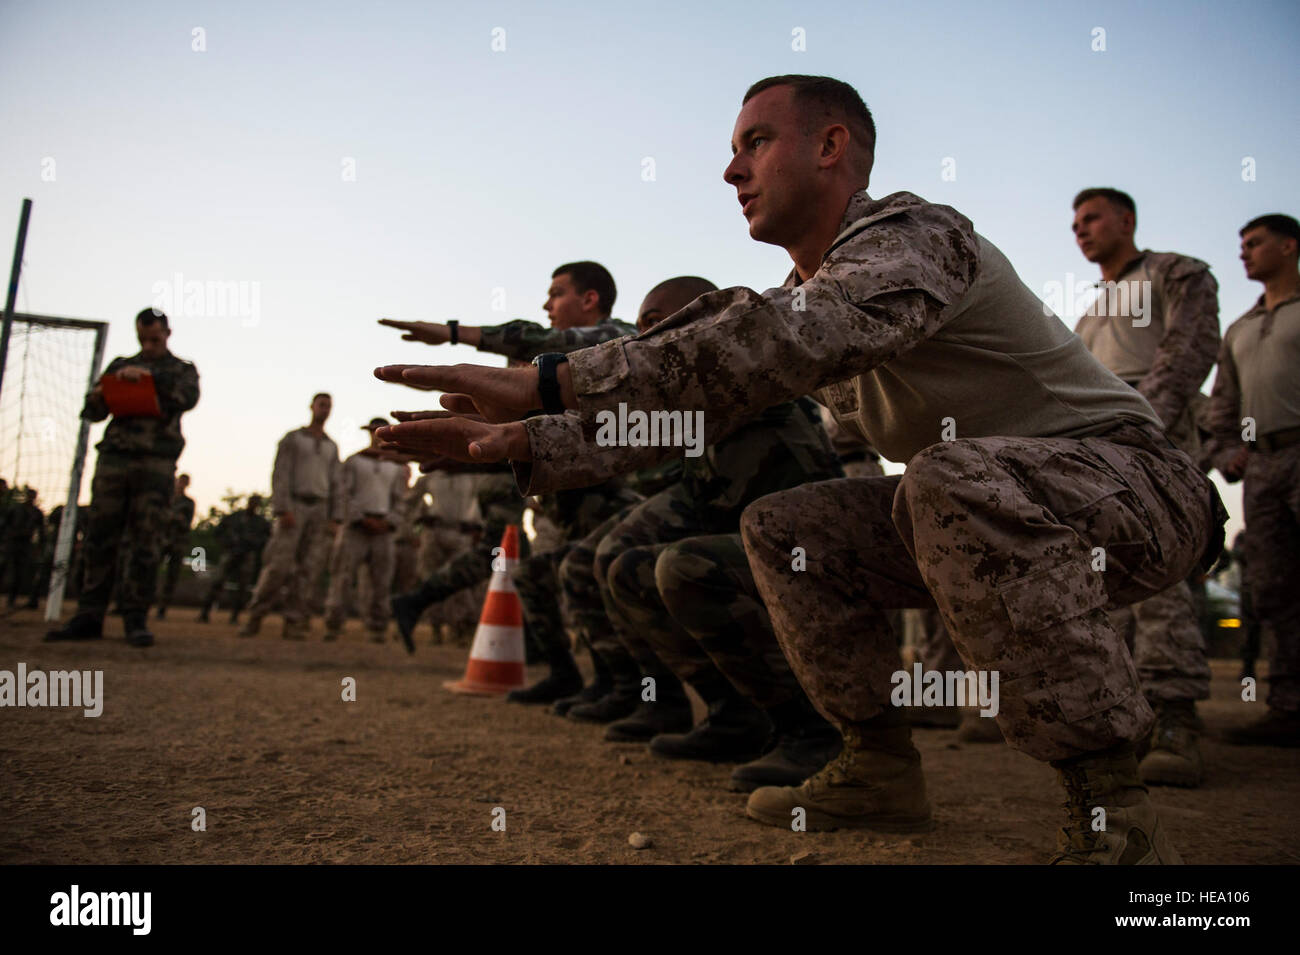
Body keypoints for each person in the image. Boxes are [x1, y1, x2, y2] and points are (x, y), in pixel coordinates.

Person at [374, 75, 1226, 864]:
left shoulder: (917, 235)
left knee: (945, 477)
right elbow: (695, 411)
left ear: (830, 146)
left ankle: (1114, 805)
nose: (730, 169)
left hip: (1140, 489)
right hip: (995, 503)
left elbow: (775, 339)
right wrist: (522, 443)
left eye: (754, 141)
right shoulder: (808, 289)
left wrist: (548, 380)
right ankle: (876, 764)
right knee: (785, 528)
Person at [1071, 187, 1221, 786]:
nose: (1080, 229)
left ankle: (1176, 713)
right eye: (1074, 223)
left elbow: (1192, 346)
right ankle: (1129, 715)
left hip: (1152, 425)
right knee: (1105, 573)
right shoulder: (1090, 311)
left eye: (1092, 218)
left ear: (1126, 220)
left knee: (1161, 562)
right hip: (1096, 437)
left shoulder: (1172, 272)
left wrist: (1144, 416)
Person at [46, 308, 200, 646]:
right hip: (114, 461)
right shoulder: (118, 365)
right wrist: (103, 392)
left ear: (167, 333)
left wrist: (146, 380)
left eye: (154, 338)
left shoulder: (181, 370)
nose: (148, 344)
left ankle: (135, 618)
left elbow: (187, 399)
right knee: (100, 538)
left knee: (146, 541)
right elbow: (93, 411)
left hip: (156, 463)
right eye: (143, 339)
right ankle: (89, 615)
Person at [1203, 212, 1300, 747]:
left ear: (1289, 246)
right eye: (1240, 244)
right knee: (1272, 588)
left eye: (1255, 243)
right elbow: (1223, 403)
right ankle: (1287, 707)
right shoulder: (1239, 328)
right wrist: (1223, 450)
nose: (1244, 252)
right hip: (1264, 466)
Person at [240, 394, 341, 639]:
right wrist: (282, 507)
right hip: (295, 504)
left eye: (328, 406)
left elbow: (336, 482)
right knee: (278, 566)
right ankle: (255, 616)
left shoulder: (331, 445)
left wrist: (335, 517)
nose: (325, 410)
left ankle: (294, 622)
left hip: (320, 508)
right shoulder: (294, 439)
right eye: (321, 405)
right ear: (312, 407)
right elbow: (280, 473)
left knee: (309, 569)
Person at [323, 418, 410, 641]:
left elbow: (401, 499)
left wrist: (389, 521)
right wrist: (360, 518)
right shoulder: (355, 461)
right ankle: (333, 624)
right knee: (343, 576)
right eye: (375, 432)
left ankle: (377, 627)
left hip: (384, 527)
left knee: (381, 581)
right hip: (356, 527)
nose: (378, 436)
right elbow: (344, 494)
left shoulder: (397, 466)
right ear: (370, 433)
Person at [198, 495, 271, 623]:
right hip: (231, 553)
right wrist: (227, 544)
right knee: (217, 582)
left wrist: (254, 545)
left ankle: (235, 616)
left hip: (247, 555)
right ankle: (205, 612)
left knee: (242, 587)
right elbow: (219, 532)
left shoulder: (260, 523)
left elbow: (267, 539)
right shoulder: (235, 517)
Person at [155, 473, 196, 619]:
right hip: (161, 539)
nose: (181, 484)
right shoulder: (166, 499)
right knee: (151, 571)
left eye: (185, 482)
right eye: (180, 481)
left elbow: (186, 522)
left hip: (178, 542)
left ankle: (162, 608)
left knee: (172, 576)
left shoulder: (188, 502)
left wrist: (173, 518)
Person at [1, 488, 44, 608]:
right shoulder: (15, 509)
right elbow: (4, 525)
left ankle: (12, 599)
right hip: (11, 542)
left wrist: (39, 546)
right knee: (3, 567)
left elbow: (41, 531)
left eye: (33, 496)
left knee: (20, 572)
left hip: (25, 544)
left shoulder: (36, 512)